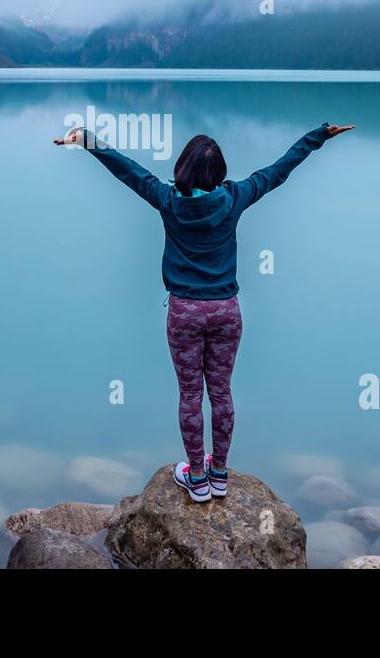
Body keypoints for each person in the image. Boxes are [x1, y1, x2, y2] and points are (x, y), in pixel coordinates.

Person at [54, 120, 355, 501]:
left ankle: (196, 477)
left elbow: (127, 169)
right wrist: (318, 137)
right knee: (222, 394)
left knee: (190, 395)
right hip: (226, 312)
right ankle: (219, 474)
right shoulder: (235, 199)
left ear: (182, 168)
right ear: (220, 172)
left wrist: (89, 142)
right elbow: (278, 170)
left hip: (184, 313)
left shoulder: (166, 199)